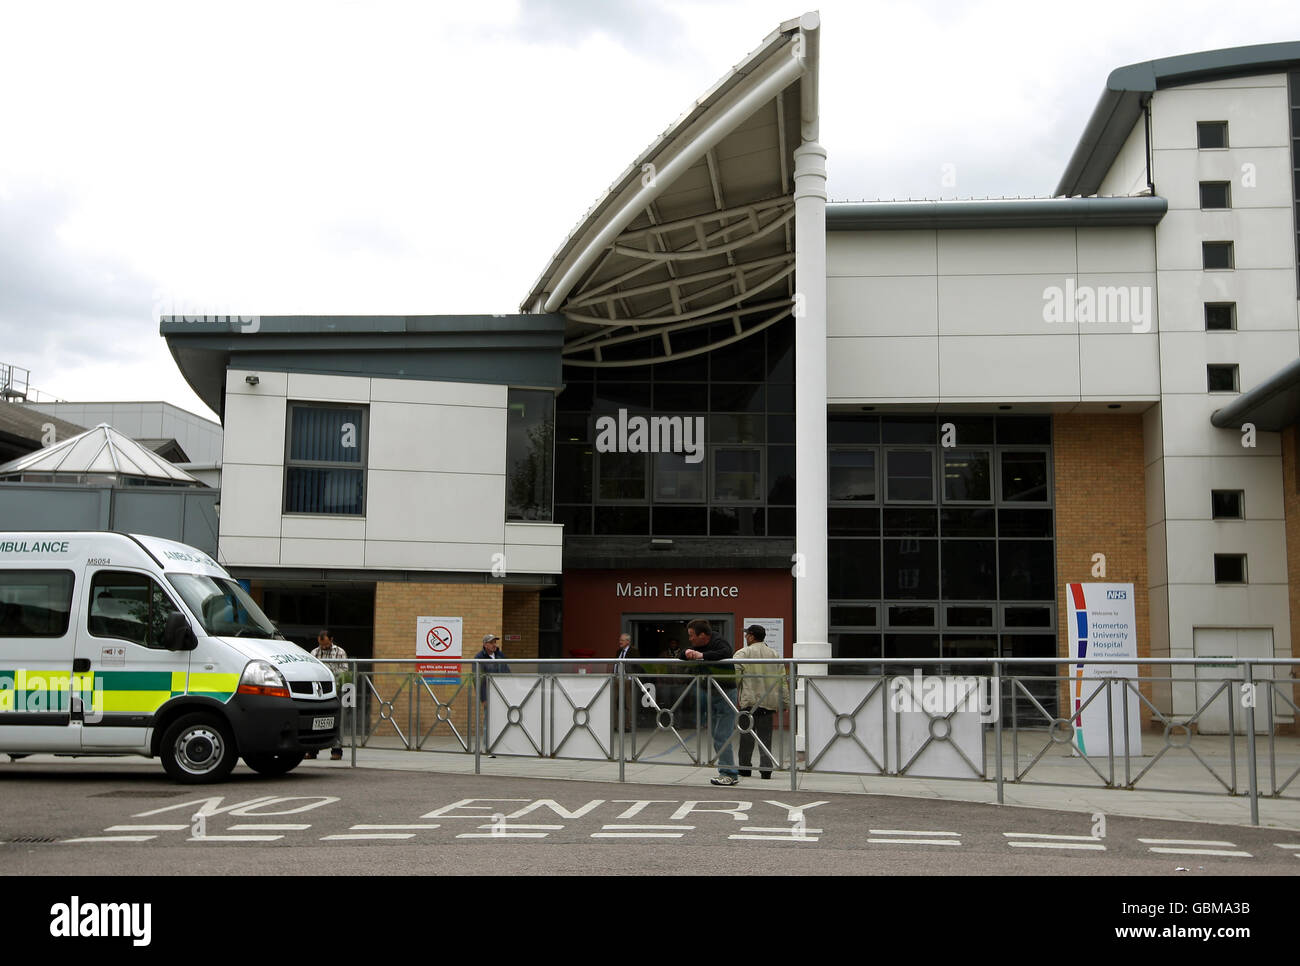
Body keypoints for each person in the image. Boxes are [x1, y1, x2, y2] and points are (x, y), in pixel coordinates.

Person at [680, 619, 739, 786]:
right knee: (716, 734)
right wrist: (686, 654)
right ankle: (728, 770)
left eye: (692, 636)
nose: (690, 639)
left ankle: (729, 773)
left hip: (725, 693)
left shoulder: (719, 641)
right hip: (710, 692)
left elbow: (726, 652)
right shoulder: (698, 644)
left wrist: (702, 656)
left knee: (722, 735)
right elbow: (682, 654)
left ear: (703, 635)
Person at [735, 625, 781, 779]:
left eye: (747, 634)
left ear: (751, 636)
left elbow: (735, 678)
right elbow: (782, 681)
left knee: (746, 737)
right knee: (766, 738)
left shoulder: (743, 653)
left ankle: (744, 768)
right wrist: (784, 702)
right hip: (768, 702)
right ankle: (766, 769)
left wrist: (734, 694)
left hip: (749, 702)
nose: (745, 637)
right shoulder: (774, 654)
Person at [308, 629, 347, 760]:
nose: (323, 647)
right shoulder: (314, 652)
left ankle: (336, 750)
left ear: (331, 640)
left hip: (335, 690)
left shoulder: (340, 652)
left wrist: (330, 674)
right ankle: (312, 750)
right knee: (314, 719)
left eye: (325, 644)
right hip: (318, 691)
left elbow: (344, 670)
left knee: (337, 719)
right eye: (321, 644)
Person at [474, 633, 510, 757]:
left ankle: (501, 746)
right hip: (489, 694)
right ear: (485, 644)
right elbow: (477, 680)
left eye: (495, 642)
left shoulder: (500, 655)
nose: (494, 644)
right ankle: (487, 747)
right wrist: (483, 698)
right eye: (491, 642)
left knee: (503, 720)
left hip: (502, 694)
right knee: (488, 721)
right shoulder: (479, 658)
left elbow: (507, 673)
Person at [611, 632, 639, 730]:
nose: (620, 642)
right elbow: (615, 664)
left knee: (628, 703)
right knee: (613, 701)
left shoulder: (634, 651)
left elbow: (636, 665)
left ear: (628, 641)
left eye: (622, 640)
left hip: (627, 680)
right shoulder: (619, 651)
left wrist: (631, 676)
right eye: (620, 640)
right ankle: (616, 725)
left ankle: (629, 726)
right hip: (617, 679)